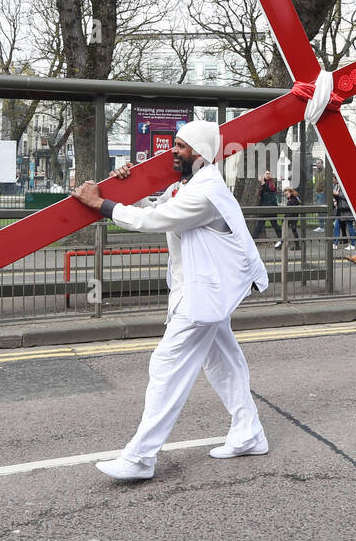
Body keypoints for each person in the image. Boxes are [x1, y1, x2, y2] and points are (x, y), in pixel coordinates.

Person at [72, 121, 269, 481]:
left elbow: (151, 220)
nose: (173, 151)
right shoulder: (187, 185)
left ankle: (140, 458)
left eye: (180, 146)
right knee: (224, 363)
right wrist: (124, 185)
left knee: (167, 368)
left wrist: (101, 203)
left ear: (200, 153)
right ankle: (249, 432)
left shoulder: (205, 192)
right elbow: (151, 205)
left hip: (201, 297)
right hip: (203, 293)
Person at [251, 171, 284, 248]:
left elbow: (270, 190)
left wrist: (263, 183)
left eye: (269, 173)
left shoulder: (272, 182)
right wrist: (262, 183)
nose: (268, 175)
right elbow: (260, 194)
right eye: (266, 173)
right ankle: (253, 242)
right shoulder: (262, 184)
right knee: (259, 226)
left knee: (275, 225)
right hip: (264, 207)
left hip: (271, 207)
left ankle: (282, 240)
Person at [331, 184, 354, 250]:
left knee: (350, 227)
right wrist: (334, 199)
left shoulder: (347, 185)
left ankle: (352, 244)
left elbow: (348, 196)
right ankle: (335, 243)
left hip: (346, 210)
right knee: (336, 226)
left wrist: (338, 194)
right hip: (340, 209)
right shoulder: (337, 186)